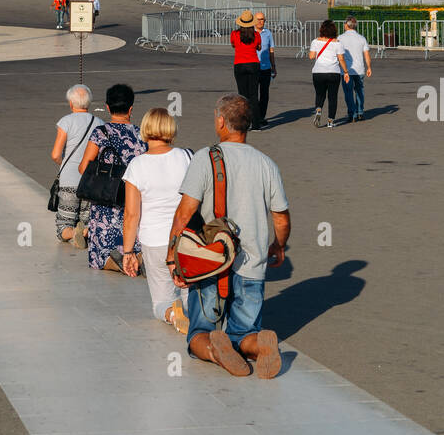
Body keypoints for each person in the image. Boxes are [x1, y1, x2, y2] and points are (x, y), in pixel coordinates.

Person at [167, 94, 290, 378]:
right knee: (243, 331)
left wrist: (173, 257)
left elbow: (184, 213)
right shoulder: (266, 163)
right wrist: (278, 245)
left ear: (221, 121)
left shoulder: (204, 158)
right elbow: (281, 217)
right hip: (252, 265)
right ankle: (258, 346)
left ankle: (213, 350)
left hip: (211, 263)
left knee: (199, 332)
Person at [121, 108, 191, 333]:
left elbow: (132, 215)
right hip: (186, 237)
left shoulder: (137, 166)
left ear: (146, 130)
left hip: (155, 240)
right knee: (190, 289)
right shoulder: (187, 157)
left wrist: (129, 252)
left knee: (160, 300)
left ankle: (171, 314)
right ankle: (193, 319)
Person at [78, 83, 146, 271]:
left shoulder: (101, 133)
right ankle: (134, 257)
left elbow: (84, 167)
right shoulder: (141, 134)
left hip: (105, 199)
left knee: (100, 253)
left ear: (107, 108)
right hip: (133, 198)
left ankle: (113, 262)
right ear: (131, 108)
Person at [50, 84, 97, 246]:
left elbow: (56, 154)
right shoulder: (99, 123)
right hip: (90, 181)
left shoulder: (66, 122)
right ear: (89, 103)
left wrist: (64, 164)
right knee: (86, 219)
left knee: (63, 225)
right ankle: (84, 232)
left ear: (71, 103)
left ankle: (71, 233)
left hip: (69, 179)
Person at [309, 19, 349, 128]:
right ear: (334, 30)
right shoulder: (337, 43)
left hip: (318, 72)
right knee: (332, 97)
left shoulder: (315, 41)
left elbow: (311, 56)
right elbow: (341, 59)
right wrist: (346, 72)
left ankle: (318, 109)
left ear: (321, 29)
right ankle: (331, 121)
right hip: (333, 72)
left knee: (320, 94)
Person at [230, 9, 262, 129]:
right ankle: (256, 124)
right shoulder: (256, 35)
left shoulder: (234, 34)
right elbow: (259, 47)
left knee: (242, 95)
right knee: (253, 95)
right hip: (253, 63)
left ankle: (244, 123)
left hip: (239, 64)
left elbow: (233, 45)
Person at [338, 15, 372, 122]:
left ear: (346, 25)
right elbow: (366, 55)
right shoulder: (361, 38)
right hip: (359, 69)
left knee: (348, 93)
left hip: (346, 70)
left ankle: (352, 113)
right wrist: (369, 67)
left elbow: (338, 55)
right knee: (359, 91)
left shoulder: (340, 38)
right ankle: (360, 112)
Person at [254, 11, 276, 127]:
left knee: (264, 94)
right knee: (253, 94)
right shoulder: (250, 33)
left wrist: (274, 67)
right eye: (258, 19)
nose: (260, 21)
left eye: (262, 19)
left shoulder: (268, 33)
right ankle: (255, 116)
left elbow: (271, 50)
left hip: (266, 68)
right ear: (254, 20)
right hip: (253, 67)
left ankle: (261, 116)